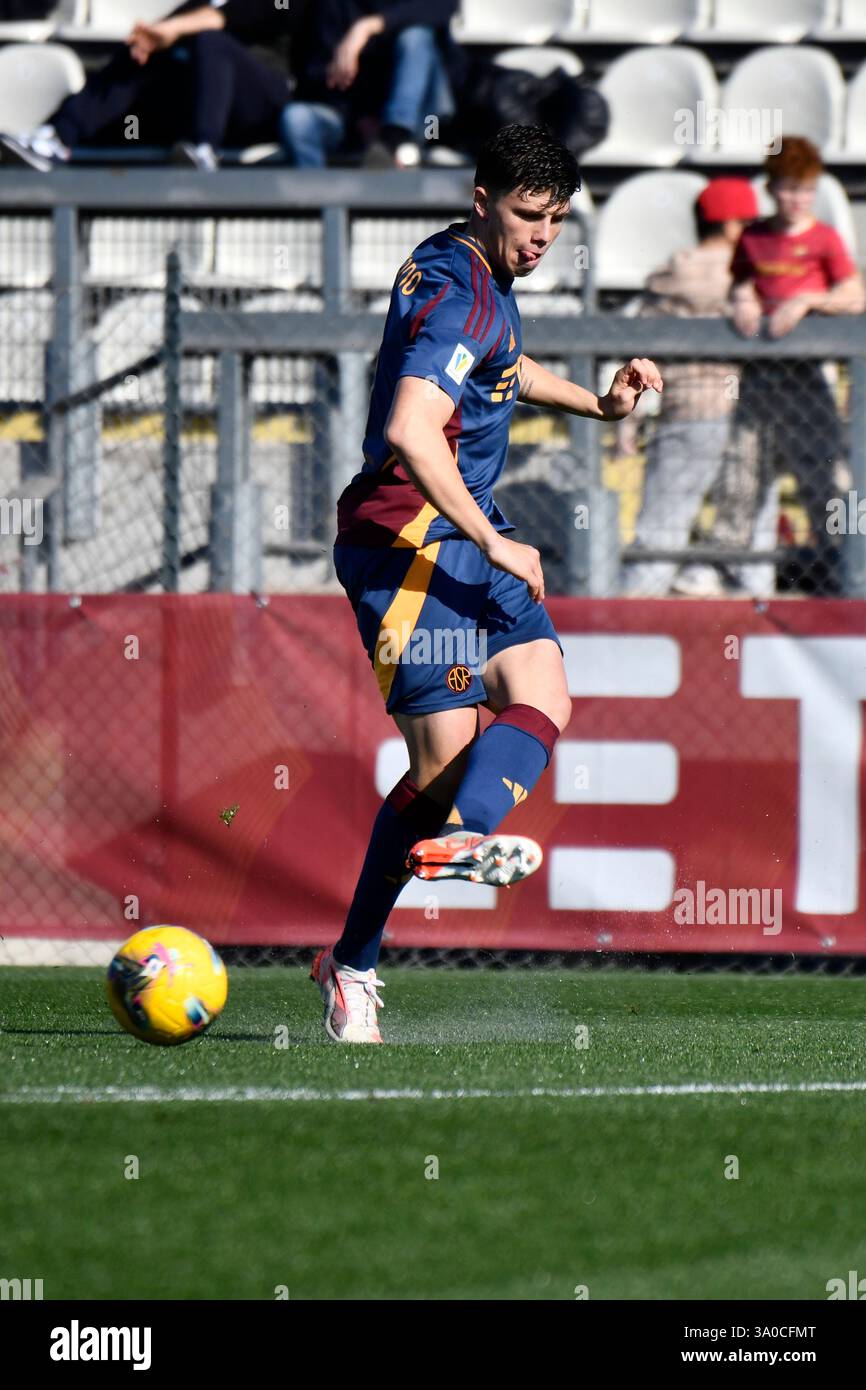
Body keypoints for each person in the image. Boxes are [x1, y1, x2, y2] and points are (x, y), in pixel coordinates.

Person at [311, 124, 663, 1043]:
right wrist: (491, 541)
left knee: (543, 691)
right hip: (406, 540)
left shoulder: (470, 271)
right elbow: (410, 429)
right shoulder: (463, 295)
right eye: (528, 214)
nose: (544, 234)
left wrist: (598, 402)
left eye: (557, 219)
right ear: (483, 199)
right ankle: (351, 961)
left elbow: (501, 367)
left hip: (466, 530)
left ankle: (464, 837)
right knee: (438, 769)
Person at [701, 136, 865, 597]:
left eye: (806, 190)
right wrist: (743, 299)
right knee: (740, 475)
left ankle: (839, 575)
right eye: (790, 189)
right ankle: (727, 569)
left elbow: (855, 295)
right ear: (773, 189)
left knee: (822, 480)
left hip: (807, 377)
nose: (798, 199)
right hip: (757, 380)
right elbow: (740, 284)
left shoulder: (824, 238)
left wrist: (808, 300)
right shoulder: (755, 236)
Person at [624, 177, 758, 597]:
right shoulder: (752, 276)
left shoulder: (671, 274)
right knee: (750, 539)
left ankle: (629, 625)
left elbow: (638, 355)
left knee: (661, 530)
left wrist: (628, 424)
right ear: (735, 225)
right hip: (752, 417)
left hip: (686, 409)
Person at [0, 0, 303, 172]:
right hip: (197, 107)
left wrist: (171, 30)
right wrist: (147, 42)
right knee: (143, 52)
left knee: (210, 43)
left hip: (265, 109)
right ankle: (58, 137)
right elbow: (164, 33)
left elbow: (232, 17)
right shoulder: (198, 5)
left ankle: (204, 149)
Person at [281, 0, 459, 170]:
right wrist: (360, 117)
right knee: (297, 119)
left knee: (416, 37)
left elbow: (442, 7)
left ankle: (393, 138)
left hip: (423, 121)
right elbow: (315, 74)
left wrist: (369, 26)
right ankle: (318, 200)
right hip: (350, 119)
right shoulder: (329, 6)